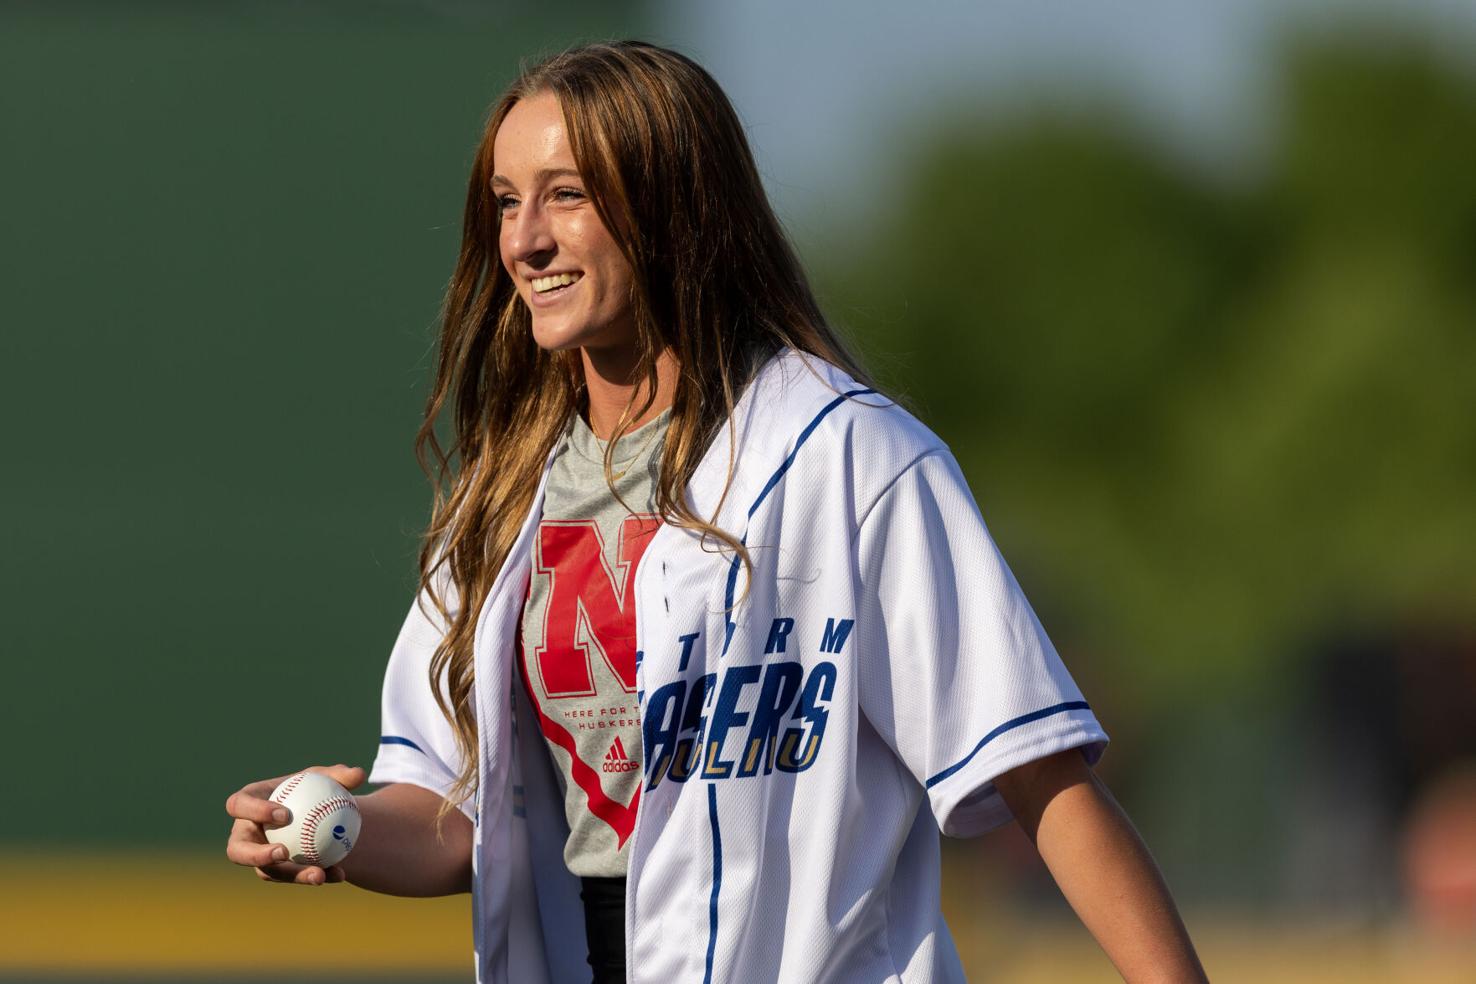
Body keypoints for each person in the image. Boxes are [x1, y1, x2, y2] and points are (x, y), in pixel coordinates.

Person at [225, 40, 1207, 984]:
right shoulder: (508, 499)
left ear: (673, 208)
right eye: (506, 203)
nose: (523, 239)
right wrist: (339, 831)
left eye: (566, 195)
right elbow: (459, 816)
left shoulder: (845, 454)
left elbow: (1041, 778)